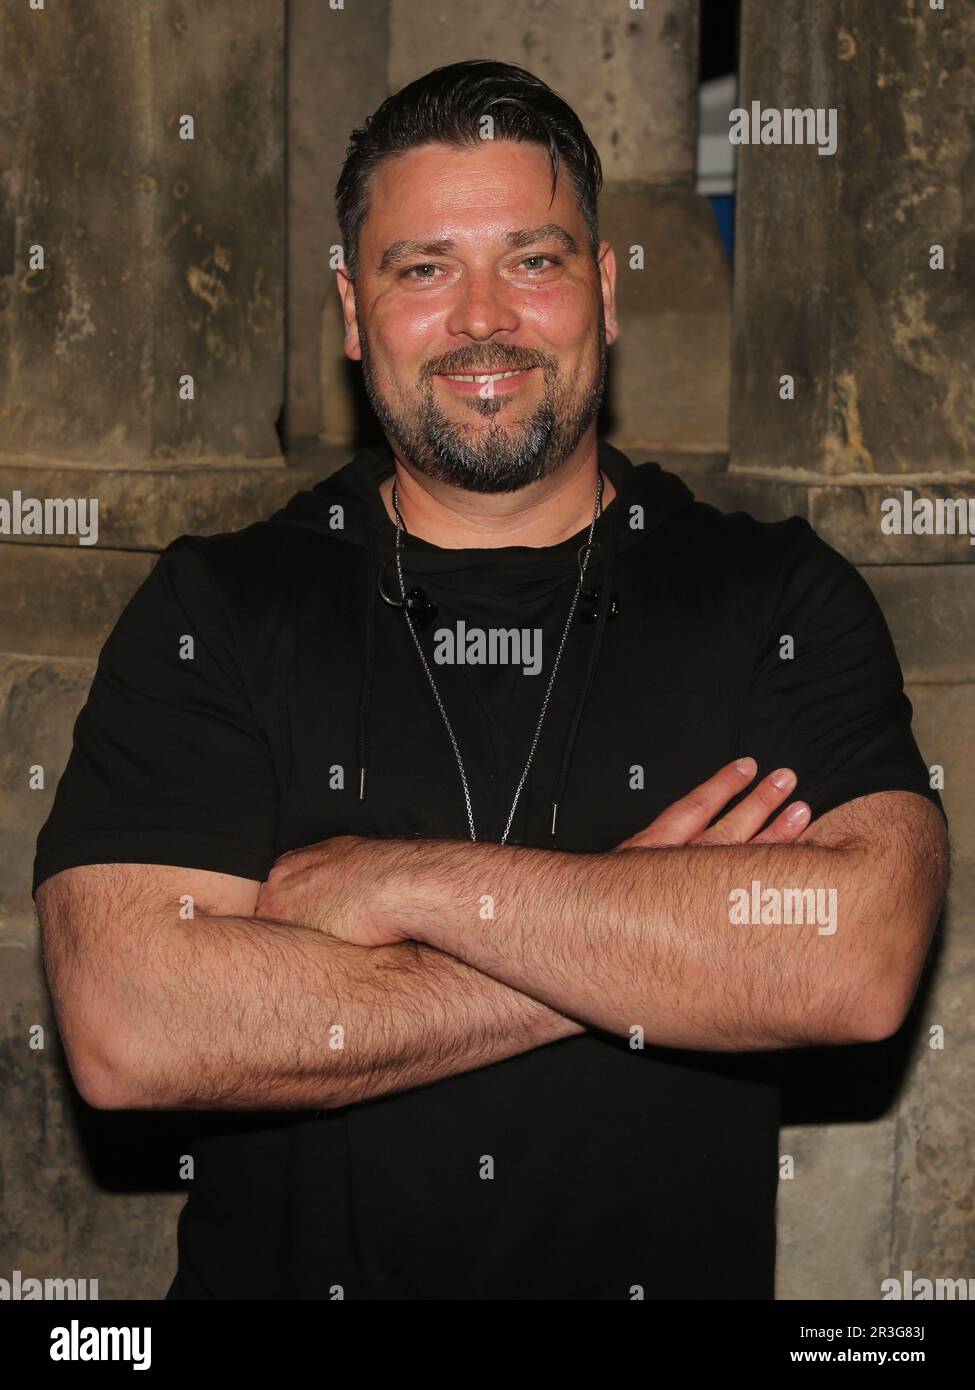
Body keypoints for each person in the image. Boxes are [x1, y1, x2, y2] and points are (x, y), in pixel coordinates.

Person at [33, 60, 948, 1301]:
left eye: (533, 259)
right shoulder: (218, 610)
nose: (481, 320)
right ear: (354, 314)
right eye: (424, 270)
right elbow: (131, 1027)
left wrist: (391, 882)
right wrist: (641, 932)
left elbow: (857, 955)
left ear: (606, 291)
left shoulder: (773, 600)